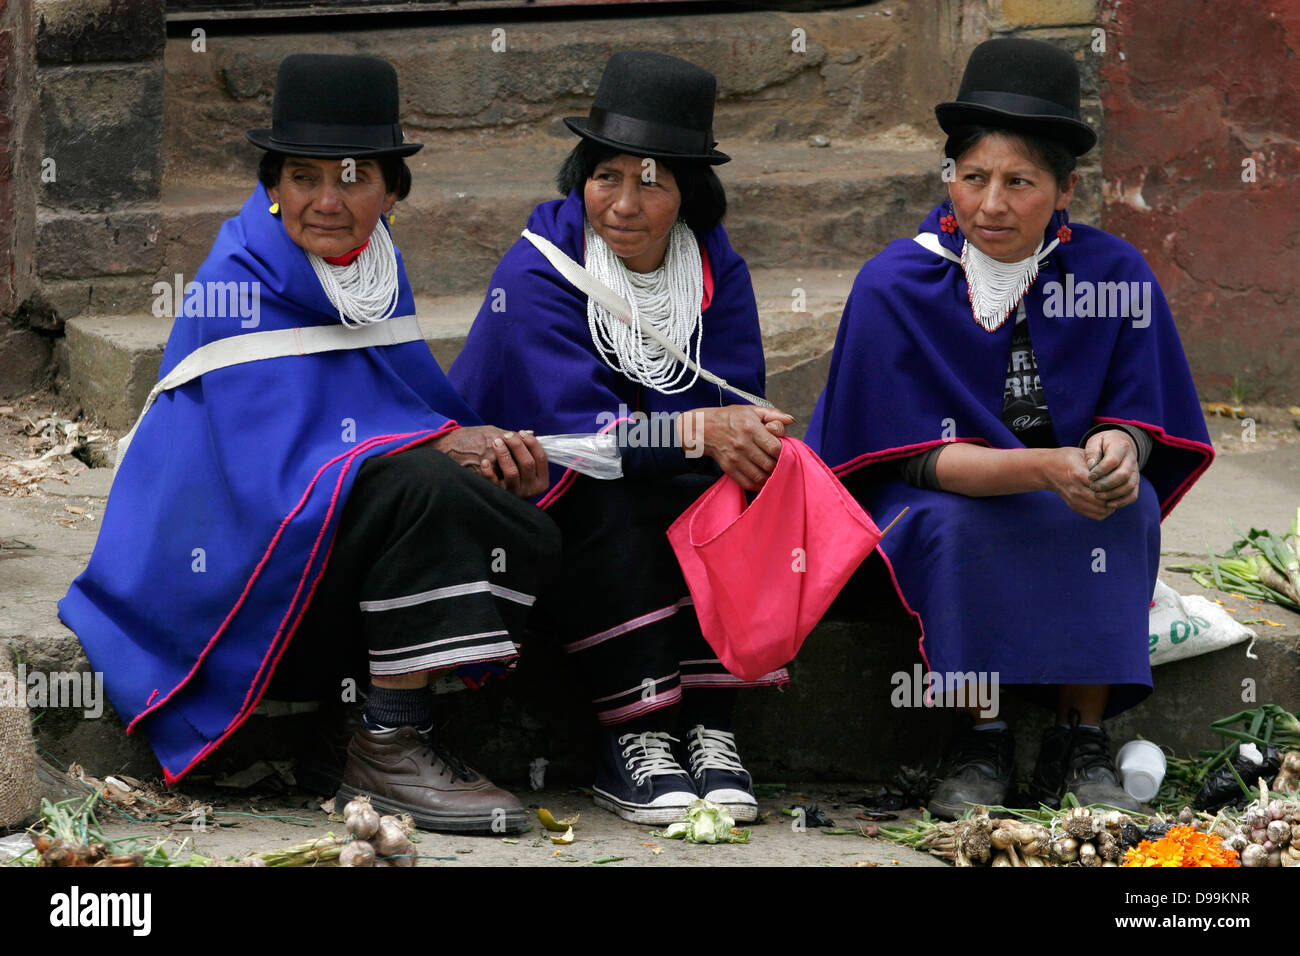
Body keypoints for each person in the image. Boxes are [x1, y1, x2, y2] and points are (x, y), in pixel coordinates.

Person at [59, 54, 560, 834]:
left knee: (490, 500)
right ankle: (392, 742)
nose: (326, 201)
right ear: (272, 186)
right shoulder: (240, 277)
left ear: (392, 192)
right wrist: (432, 449)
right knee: (424, 490)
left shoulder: (374, 272)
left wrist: (478, 453)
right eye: (302, 177)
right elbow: (264, 476)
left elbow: (394, 407)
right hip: (219, 590)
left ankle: (347, 728)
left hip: (301, 573)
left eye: (354, 178)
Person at [807, 37, 1214, 817]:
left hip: (1063, 486)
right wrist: (1045, 470)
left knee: (1120, 512)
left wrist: (1118, 451)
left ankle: (1078, 737)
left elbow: (1142, 414)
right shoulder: (898, 282)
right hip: (940, 493)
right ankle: (978, 734)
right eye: (973, 178)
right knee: (954, 525)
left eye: (1020, 182)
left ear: (1064, 191)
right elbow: (913, 461)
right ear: (948, 180)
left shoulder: (1113, 274)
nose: (991, 204)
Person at [450, 51, 795, 825]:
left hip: (653, 471)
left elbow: (734, 404)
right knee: (613, 502)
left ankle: (710, 726)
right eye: (607, 176)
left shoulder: (713, 268)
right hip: (540, 491)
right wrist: (697, 433)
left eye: (653, 181)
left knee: (738, 487)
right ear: (581, 179)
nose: (625, 204)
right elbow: (570, 437)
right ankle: (635, 732)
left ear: (689, 198)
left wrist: (739, 441)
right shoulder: (538, 268)